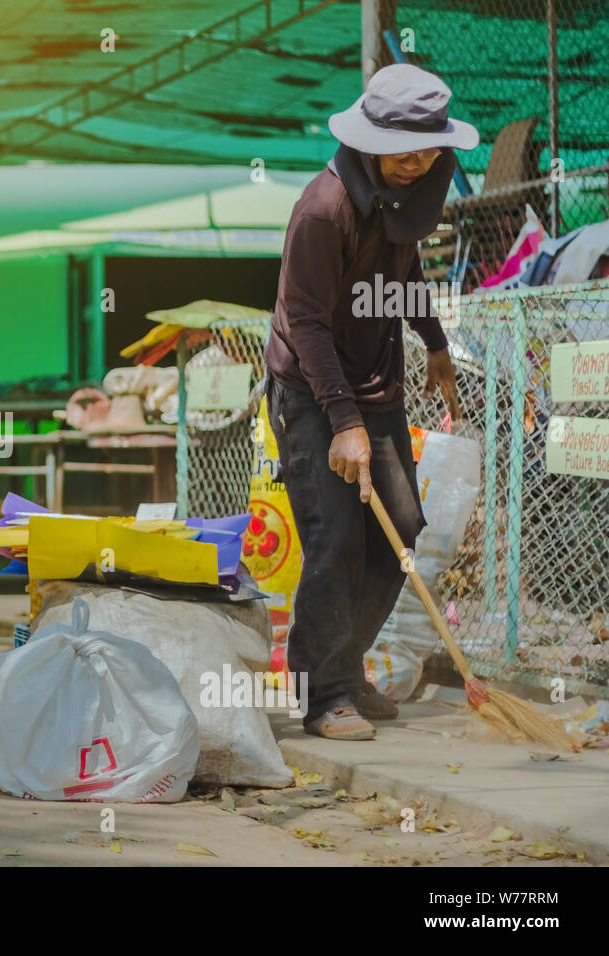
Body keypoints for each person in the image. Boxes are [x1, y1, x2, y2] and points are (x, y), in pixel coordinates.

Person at [264, 64, 476, 740]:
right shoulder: (323, 211)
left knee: (400, 532)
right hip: (312, 393)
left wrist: (435, 344)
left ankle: (345, 669)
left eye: (427, 149)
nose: (415, 163)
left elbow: (405, 271)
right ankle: (321, 697)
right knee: (338, 542)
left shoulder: (403, 199)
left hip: (376, 388)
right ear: (371, 140)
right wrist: (343, 422)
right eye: (402, 150)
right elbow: (306, 321)